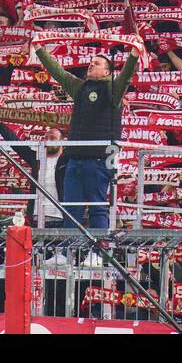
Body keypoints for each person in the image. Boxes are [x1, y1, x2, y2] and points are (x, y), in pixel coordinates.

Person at [34, 41, 139, 230]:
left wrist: (133, 55)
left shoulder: (112, 90)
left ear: (107, 72)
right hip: (75, 159)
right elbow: (59, 72)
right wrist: (39, 50)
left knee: (97, 208)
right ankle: (65, 253)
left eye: (97, 63)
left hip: (99, 160)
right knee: (71, 208)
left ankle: (97, 255)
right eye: (91, 61)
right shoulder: (80, 88)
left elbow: (126, 76)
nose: (91, 64)